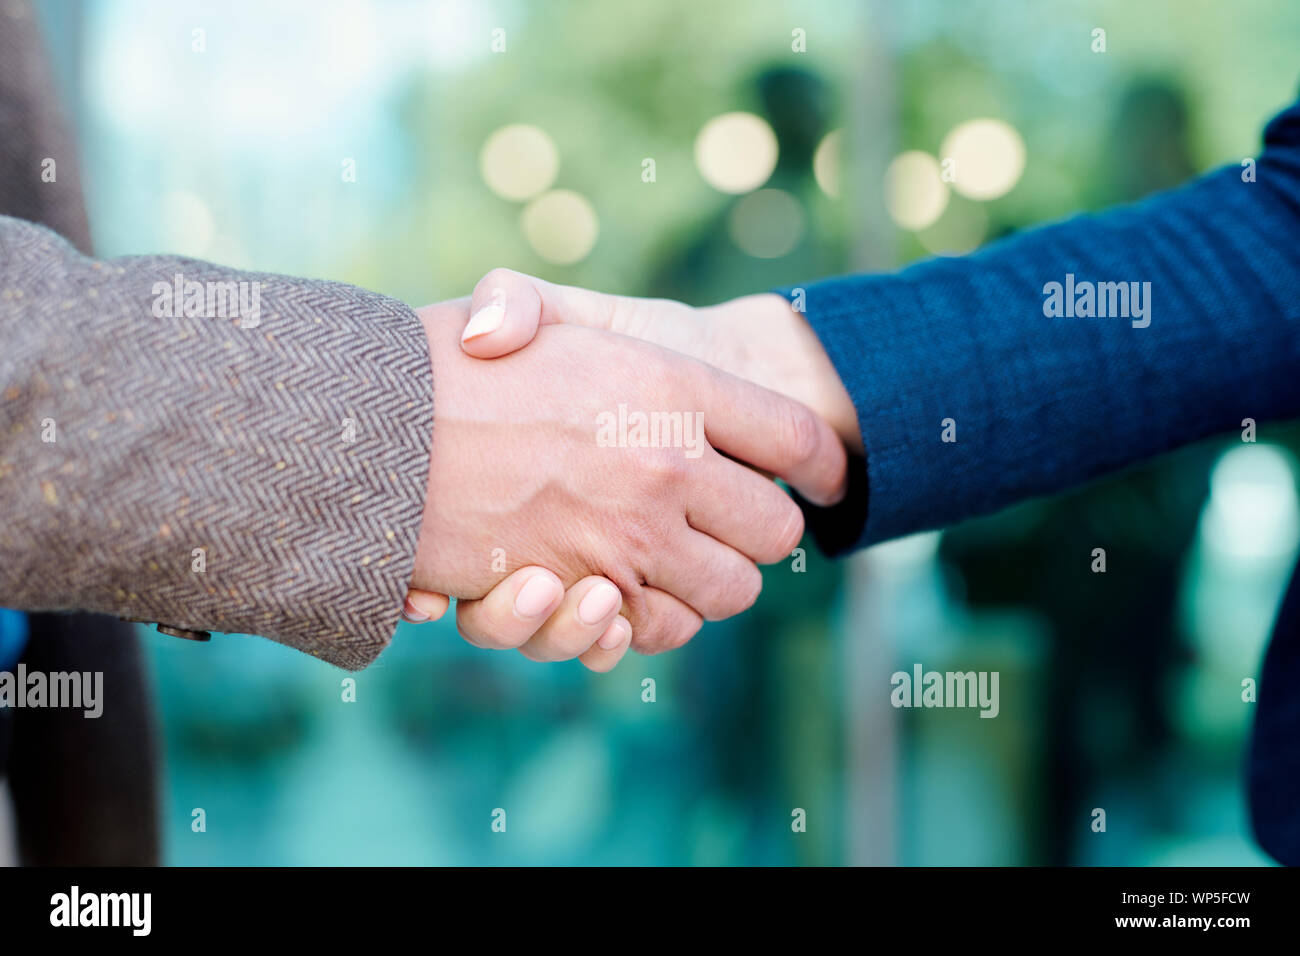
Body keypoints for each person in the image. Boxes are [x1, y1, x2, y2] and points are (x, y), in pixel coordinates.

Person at [446, 89, 1300, 864]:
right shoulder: (749, 232)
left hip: (770, 560)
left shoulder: (778, 228)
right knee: (743, 736)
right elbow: (1271, 243)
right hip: (749, 551)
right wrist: (751, 358)